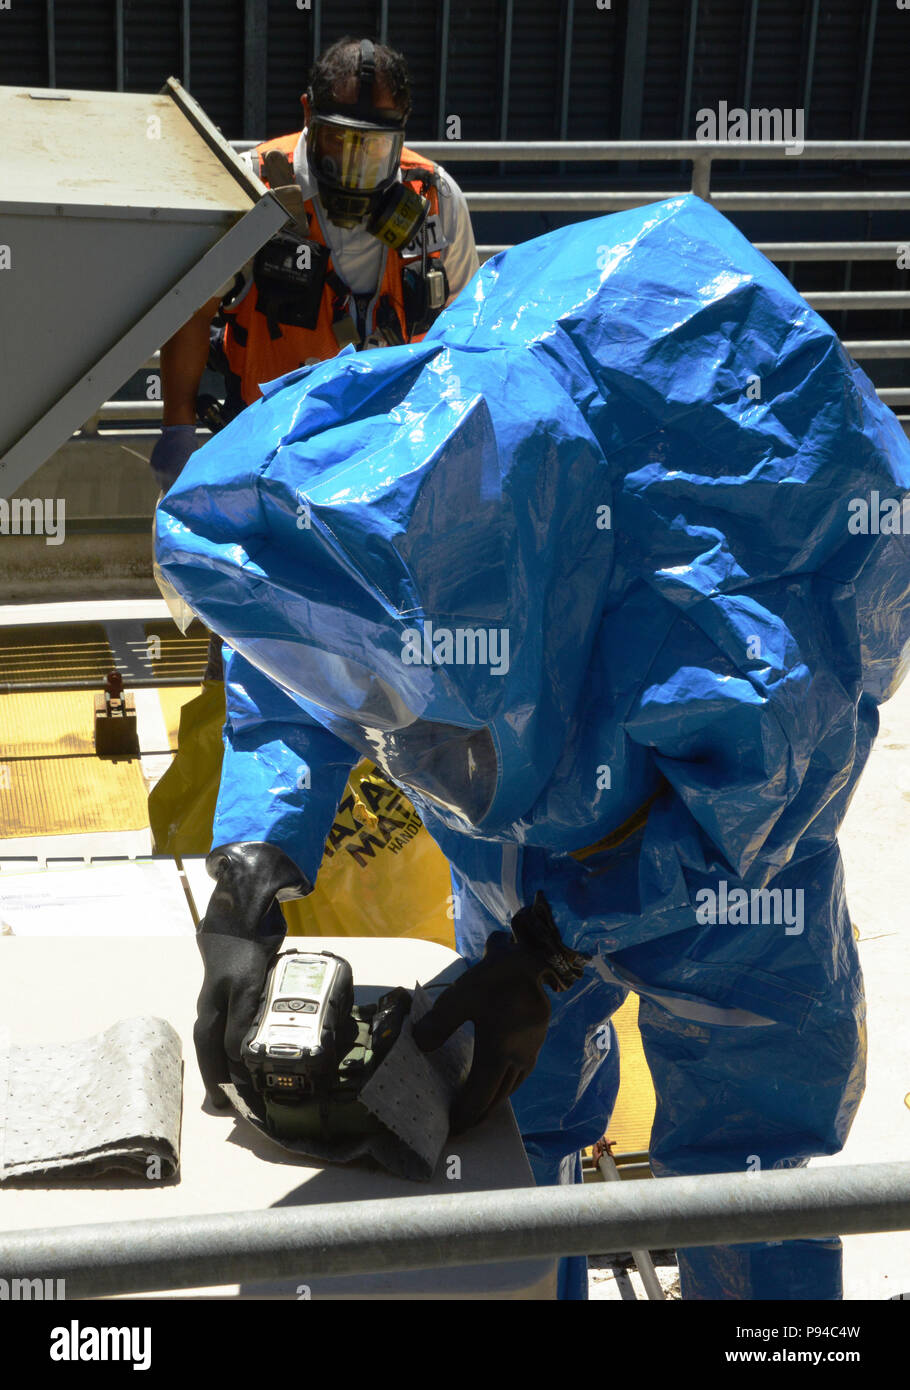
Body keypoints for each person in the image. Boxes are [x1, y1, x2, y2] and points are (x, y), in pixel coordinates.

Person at [156, 193, 910, 1302]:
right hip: (535, 811)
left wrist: (550, 947)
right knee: (514, 1126)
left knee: (747, 1164)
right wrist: (255, 863)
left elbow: (753, 800)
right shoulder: (402, 482)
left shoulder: (728, 587)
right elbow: (305, 627)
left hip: (726, 878)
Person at [149, 35, 478, 492]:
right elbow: (193, 310)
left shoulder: (436, 198)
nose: (353, 167)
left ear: (401, 132)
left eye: (373, 149)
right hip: (265, 452)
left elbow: (468, 329)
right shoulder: (250, 189)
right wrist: (177, 430)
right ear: (308, 114)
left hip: (391, 454)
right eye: (338, 142)